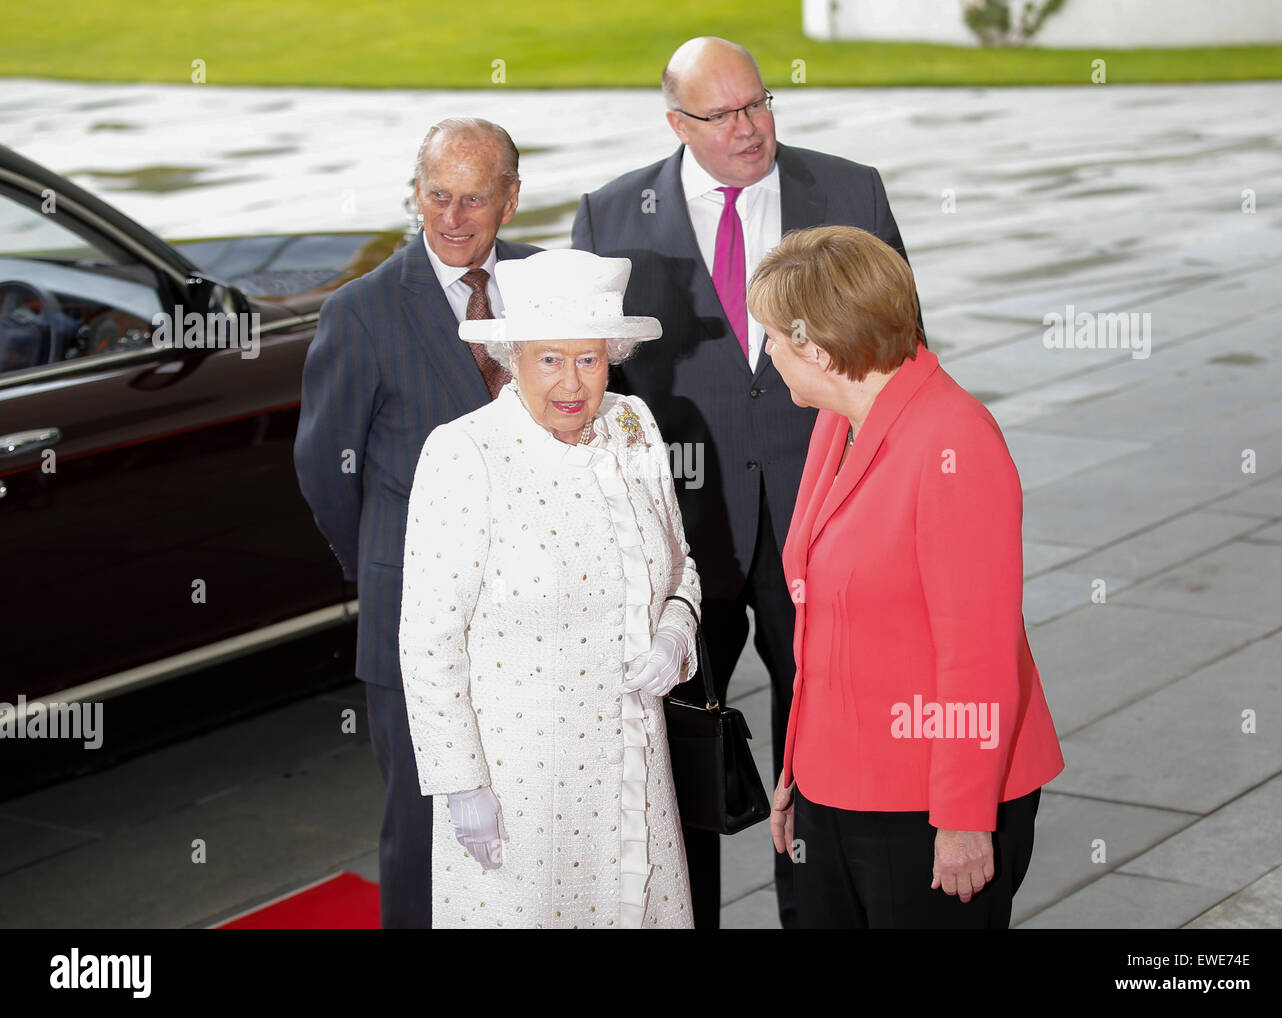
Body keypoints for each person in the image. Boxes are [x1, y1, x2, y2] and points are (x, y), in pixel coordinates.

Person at [570, 35, 917, 929]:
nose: (750, 126)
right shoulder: (611, 218)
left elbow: (901, 358)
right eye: (722, 114)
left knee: (831, 742)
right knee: (676, 755)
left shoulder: (849, 192)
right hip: (680, 540)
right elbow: (591, 394)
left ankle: (822, 912)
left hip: (825, 524)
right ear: (677, 122)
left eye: (759, 103)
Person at [751, 225, 1064, 928]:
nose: (766, 354)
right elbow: (824, 623)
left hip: (929, 808)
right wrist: (799, 772)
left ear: (819, 350)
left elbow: (978, 656)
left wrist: (962, 818)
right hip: (839, 787)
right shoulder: (840, 422)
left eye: (771, 337)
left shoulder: (955, 441)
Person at [399, 248, 699, 927]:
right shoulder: (464, 452)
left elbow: (682, 564)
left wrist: (676, 632)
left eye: (589, 358)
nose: (572, 382)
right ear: (513, 357)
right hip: (518, 784)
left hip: (631, 767)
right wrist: (462, 783)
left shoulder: (633, 427)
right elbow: (428, 639)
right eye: (549, 359)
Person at [293, 117, 539, 928]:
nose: (455, 218)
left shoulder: (550, 286)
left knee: (535, 820)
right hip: (414, 626)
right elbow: (328, 470)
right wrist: (387, 567)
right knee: (424, 828)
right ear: (416, 194)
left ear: (510, 198)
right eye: (438, 196)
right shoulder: (360, 312)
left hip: (544, 622)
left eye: (475, 198)